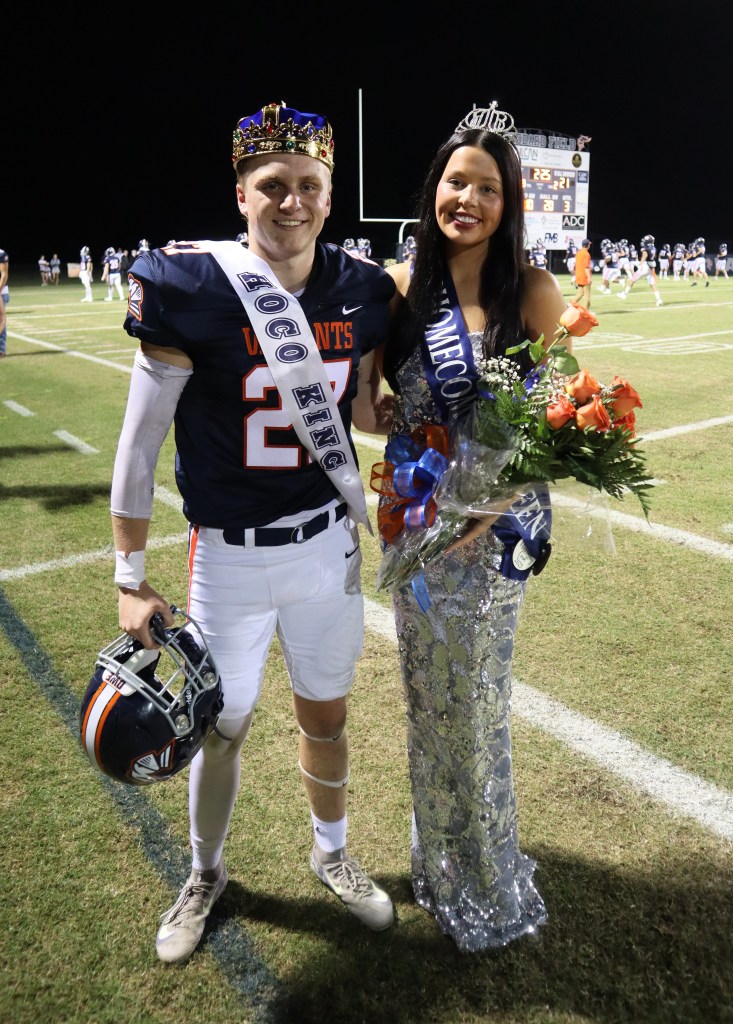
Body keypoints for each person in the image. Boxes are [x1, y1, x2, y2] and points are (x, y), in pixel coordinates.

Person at [110, 99, 396, 965]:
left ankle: (333, 854)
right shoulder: (191, 285)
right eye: (273, 186)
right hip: (227, 560)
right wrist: (129, 574)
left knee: (327, 716)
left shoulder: (363, 288)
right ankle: (206, 872)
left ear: (330, 192)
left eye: (309, 185)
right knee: (221, 725)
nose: (292, 202)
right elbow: (139, 441)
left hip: (323, 548)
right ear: (242, 194)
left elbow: (366, 405)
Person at [372, 100, 568, 952]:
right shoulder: (398, 286)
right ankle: (438, 862)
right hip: (418, 535)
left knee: (480, 705)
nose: (470, 199)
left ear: (509, 201)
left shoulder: (532, 293)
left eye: (488, 187)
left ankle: (485, 868)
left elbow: (553, 430)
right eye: (458, 181)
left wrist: (483, 508)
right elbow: (377, 399)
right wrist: (375, 410)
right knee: (426, 702)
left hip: (488, 547)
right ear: (436, 190)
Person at [617, 234, 664, 306]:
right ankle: (658, 299)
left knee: (632, 279)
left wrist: (641, 264)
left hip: (645, 266)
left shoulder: (646, 247)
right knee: (652, 284)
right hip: (650, 266)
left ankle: (624, 294)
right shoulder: (654, 248)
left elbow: (645, 255)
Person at [573, 237, 592, 309]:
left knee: (580, 293)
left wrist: (575, 276)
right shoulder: (586, 254)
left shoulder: (578, 253)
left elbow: (576, 265)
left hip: (578, 275)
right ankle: (586, 312)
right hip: (585, 277)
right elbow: (586, 267)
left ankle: (570, 305)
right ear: (588, 245)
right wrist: (589, 278)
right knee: (587, 296)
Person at [0, 246, 8, 357]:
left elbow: (4, 274)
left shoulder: (1, 254)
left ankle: (1, 349)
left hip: (1, 291)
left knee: (1, 319)